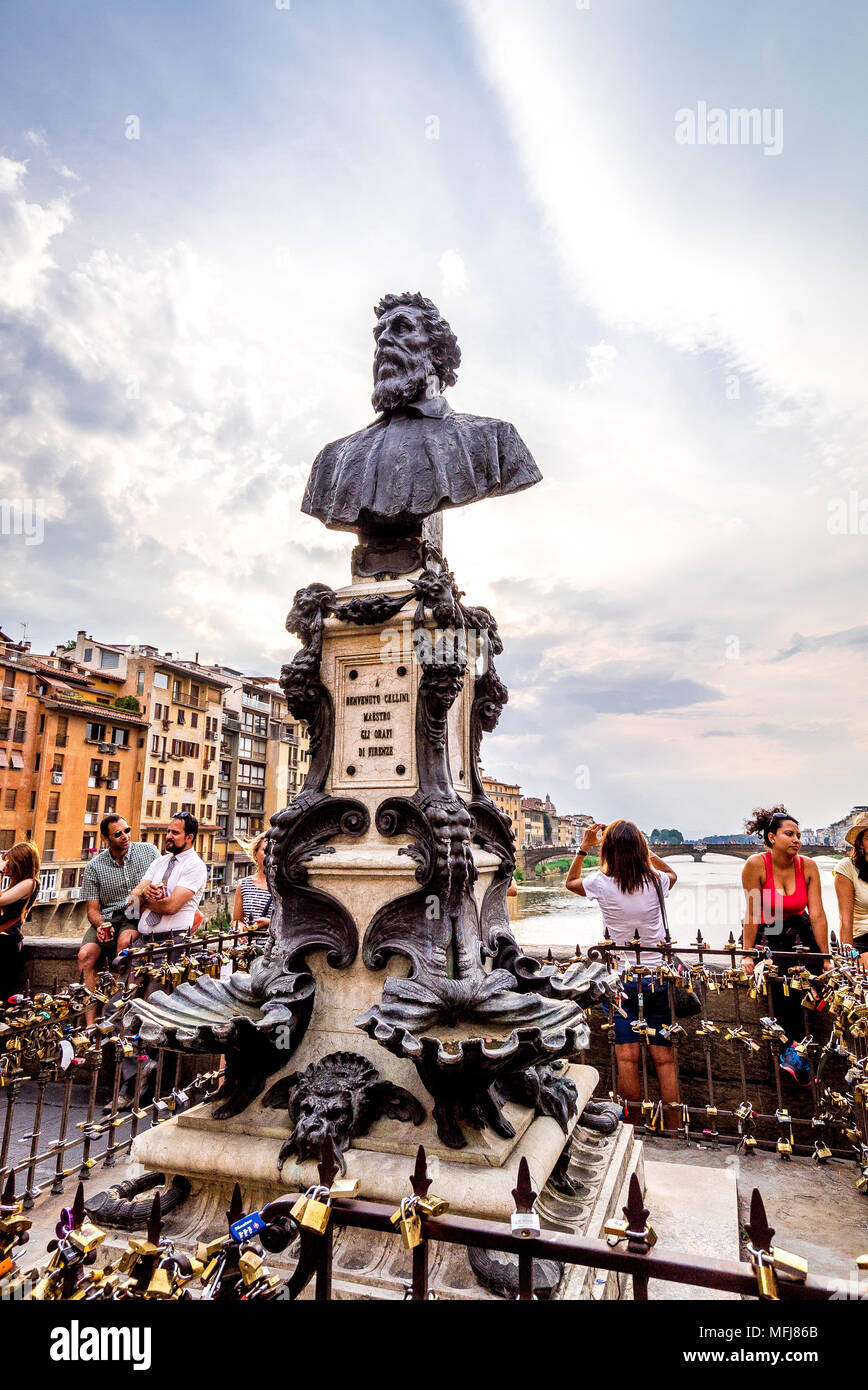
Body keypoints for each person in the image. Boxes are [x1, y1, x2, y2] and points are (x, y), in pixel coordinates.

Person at [565, 820, 679, 1125]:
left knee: (627, 1059)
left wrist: (584, 847)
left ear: (609, 850)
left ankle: (635, 1129)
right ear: (640, 848)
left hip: (621, 982)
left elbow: (570, 882)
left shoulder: (601, 883)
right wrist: (647, 852)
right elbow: (673, 874)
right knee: (665, 1060)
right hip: (658, 978)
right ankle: (672, 1131)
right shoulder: (656, 882)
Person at [741, 805, 829, 1084]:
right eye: (789, 834)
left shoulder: (809, 866)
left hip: (800, 933)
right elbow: (753, 912)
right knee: (780, 982)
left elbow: (817, 913)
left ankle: (796, 1051)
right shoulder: (755, 865)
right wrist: (746, 953)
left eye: (799, 835)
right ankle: (793, 1051)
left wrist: (826, 955)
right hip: (770, 930)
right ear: (771, 838)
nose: (797, 840)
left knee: (815, 979)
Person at [78, 815, 158, 1013]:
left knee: (124, 943)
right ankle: (89, 1024)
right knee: (85, 955)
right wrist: (101, 924)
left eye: (127, 830)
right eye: (118, 834)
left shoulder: (148, 851)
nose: (125, 836)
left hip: (134, 911)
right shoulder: (94, 867)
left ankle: (111, 1010)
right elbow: (92, 911)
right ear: (106, 839)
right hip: (108, 916)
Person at [0, 842, 40, 1003]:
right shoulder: (17, 885)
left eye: (10, 864)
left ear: (21, 863)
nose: (7, 869)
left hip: (6, 944)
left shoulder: (30, 883)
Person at [834, 811, 868, 964]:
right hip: (863, 940)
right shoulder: (848, 867)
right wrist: (850, 957)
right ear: (860, 843)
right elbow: (845, 920)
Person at [231, 832, 273, 935]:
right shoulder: (244, 885)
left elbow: (292, 922)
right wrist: (239, 926)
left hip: (273, 947)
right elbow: (237, 920)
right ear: (255, 854)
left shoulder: (283, 886)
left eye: (272, 851)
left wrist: (268, 922)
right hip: (248, 946)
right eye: (265, 850)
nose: (269, 854)